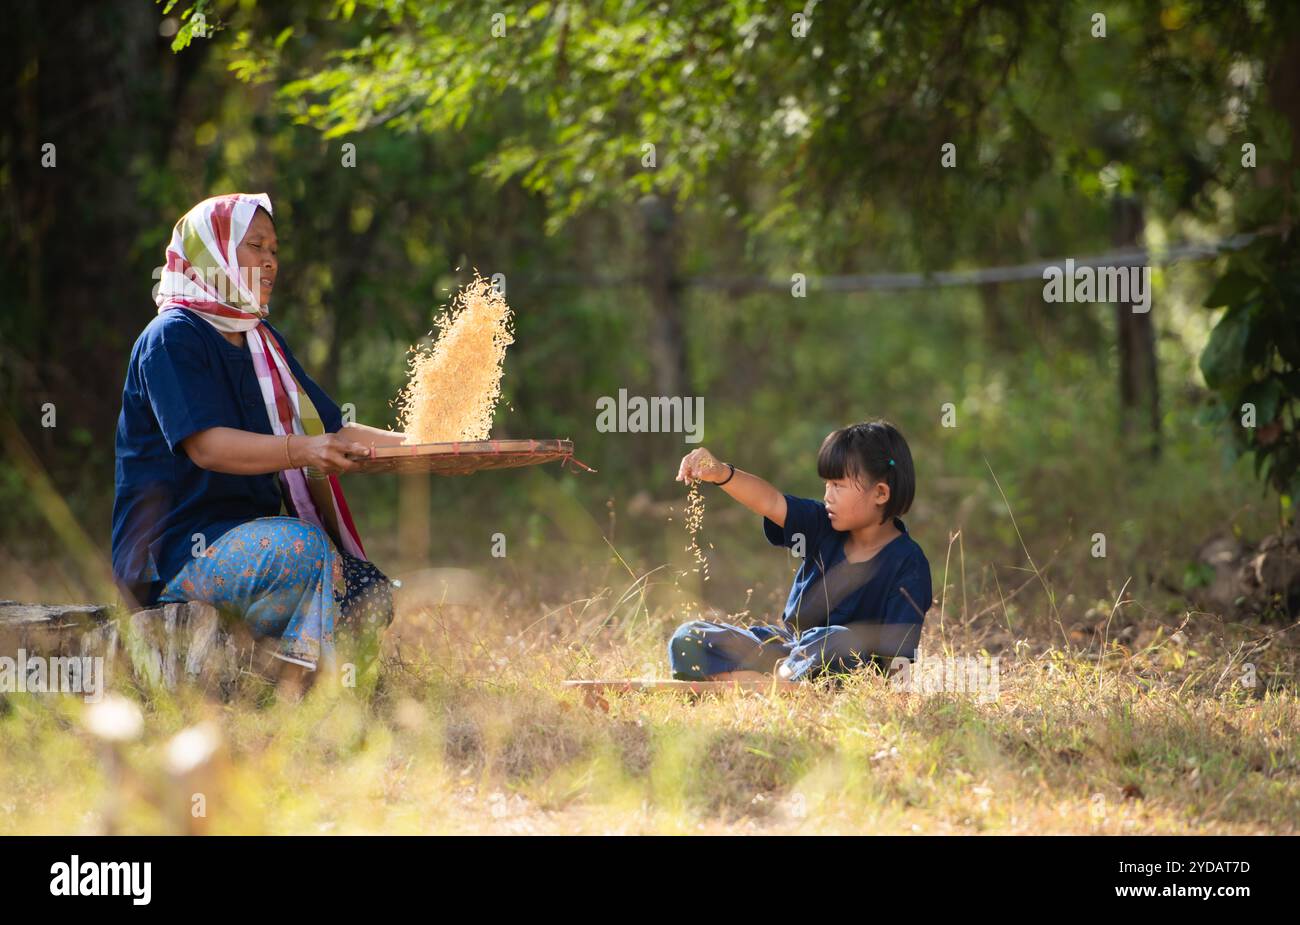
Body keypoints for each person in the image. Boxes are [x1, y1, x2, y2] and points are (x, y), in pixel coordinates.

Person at [111, 193, 405, 685]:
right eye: (256, 246)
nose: (271, 261)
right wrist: (301, 449)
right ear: (214, 253)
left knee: (368, 591)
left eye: (275, 250)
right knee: (305, 551)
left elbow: (330, 430)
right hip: (176, 554)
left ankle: (278, 678)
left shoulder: (259, 338)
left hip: (256, 545)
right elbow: (206, 447)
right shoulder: (171, 337)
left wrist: (428, 443)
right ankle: (297, 691)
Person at [669, 420, 932, 683]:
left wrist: (896, 699)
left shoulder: (908, 563)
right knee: (688, 637)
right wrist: (721, 473)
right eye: (827, 484)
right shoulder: (821, 523)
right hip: (787, 650)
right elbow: (770, 501)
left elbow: (900, 655)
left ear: (881, 493)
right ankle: (770, 683)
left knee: (838, 640)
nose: (828, 495)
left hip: (844, 665)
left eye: (838, 485)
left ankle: (764, 685)